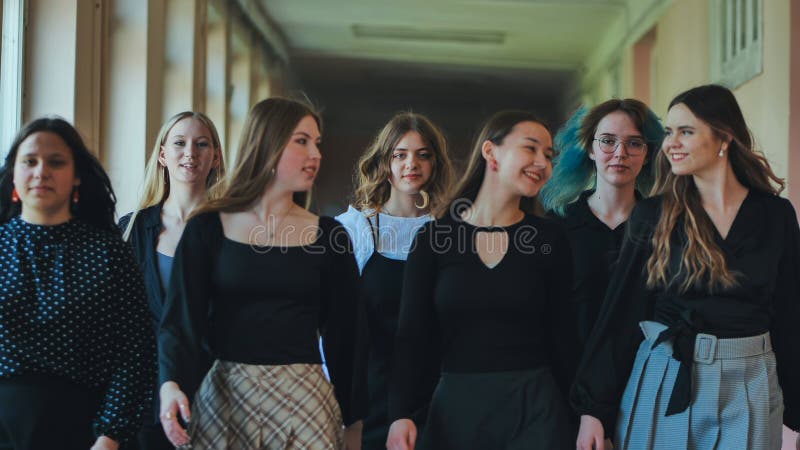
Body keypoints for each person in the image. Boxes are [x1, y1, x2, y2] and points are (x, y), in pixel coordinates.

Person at [573, 84, 800, 450]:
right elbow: (621, 314)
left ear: (723, 137)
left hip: (752, 382)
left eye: (686, 131)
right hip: (665, 376)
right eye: (668, 133)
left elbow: (791, 315)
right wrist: (593, 409)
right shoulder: (653, 215)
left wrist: (796, 415)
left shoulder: (775, 215)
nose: (670, 143)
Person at [157, 98, 365, 449]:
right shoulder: (207, 229)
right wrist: (170, 384)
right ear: (267, 143)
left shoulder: (329, 235)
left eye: (317, 143)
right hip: (225, 396)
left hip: (306, 400)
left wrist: (355, 420)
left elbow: (348, 337)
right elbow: (180, 321)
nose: (315, 153)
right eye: (302, 141)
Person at [386, 110, 575, 450]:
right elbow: (412, 336)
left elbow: (565, 334)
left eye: (548, 155)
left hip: (536, 408)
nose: (542, 163)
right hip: (455, 409)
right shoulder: (434, 239)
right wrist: (401, 413)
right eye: (530, 149)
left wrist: (586, 415)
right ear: (490, 152)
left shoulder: (551, 238)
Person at [0, 117, 155, 450]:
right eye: (29, 161)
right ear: (14, 172)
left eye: (56, 162)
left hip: (82, 428)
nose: (41, 172)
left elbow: (134, 353)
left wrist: (109, 437)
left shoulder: (108, 252)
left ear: (77, 176)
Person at [335, 112, 453, 450]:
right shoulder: (353, 230)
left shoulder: (451, 233)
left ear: (435, 163)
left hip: (435, 397)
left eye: (422, 154)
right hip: (369, 399)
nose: (410, 164)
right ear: (384, 162)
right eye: (399, 155)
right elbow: (335, 326)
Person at [119, 111, 224, 450]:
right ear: (163, 155)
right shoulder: (130, 229)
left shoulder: (233, 230)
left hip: (212, 391)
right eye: (179, 143)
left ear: (216, 157)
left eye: (201, 144)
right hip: (140, 393)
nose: (190, 153)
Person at [540, 99, 663, 348]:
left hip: (644, 377)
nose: (620, 153)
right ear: (590, 149)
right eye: (608, 141)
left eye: (634, 143)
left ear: (647, 154)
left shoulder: (664, 225)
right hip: (572, 376)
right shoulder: (557, 227)